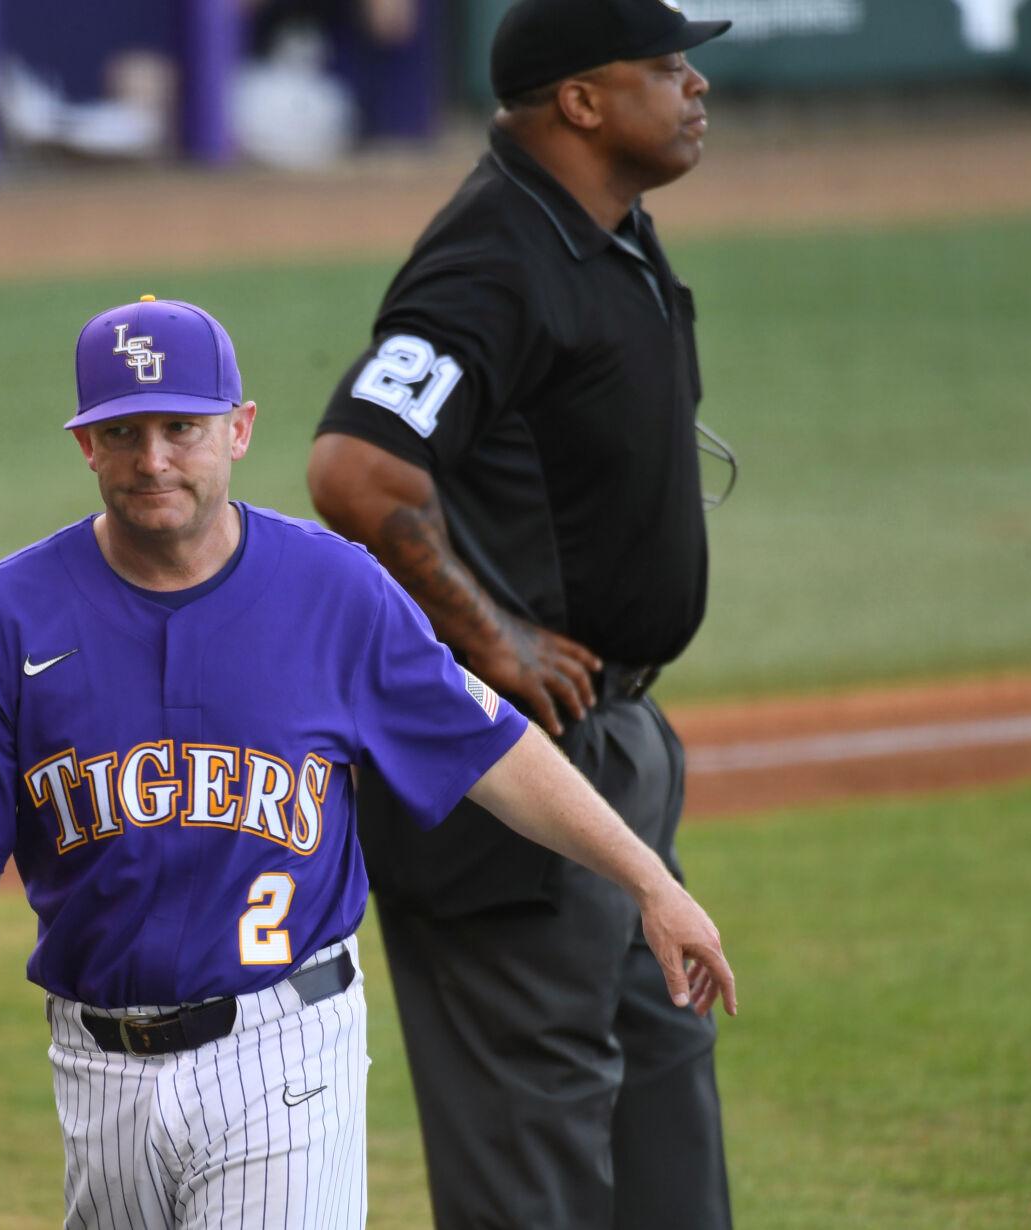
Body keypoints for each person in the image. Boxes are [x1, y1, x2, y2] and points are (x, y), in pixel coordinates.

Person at [0, 294, 735, 1228]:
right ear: (86, 444)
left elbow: (492, 749)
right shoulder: (6, 617)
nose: (153, 459)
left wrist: (651, 882)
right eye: (122, 432)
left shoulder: (334, 591)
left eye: (182, 428)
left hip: (282, 1055)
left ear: (239, 429)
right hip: (96, 1071)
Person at [306, 1, 738, 1225]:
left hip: (614, 744)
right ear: (581, 102)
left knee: (662, 1093)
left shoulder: (606, 232)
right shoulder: (491, 259)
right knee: (530, 1137)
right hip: (508, 768)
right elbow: (355, 468)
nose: (694, 86)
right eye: (664, 66)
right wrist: (488, 639)